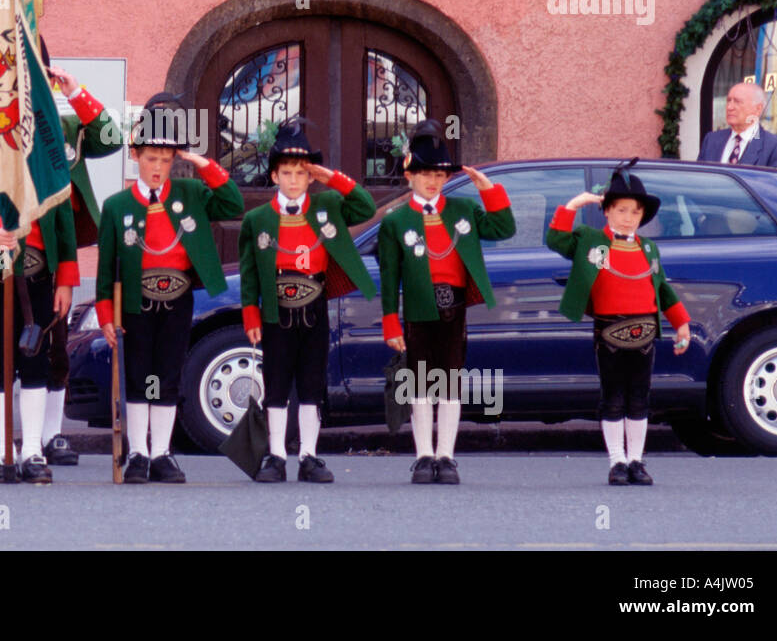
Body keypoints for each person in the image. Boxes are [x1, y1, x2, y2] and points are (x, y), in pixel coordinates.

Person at [0, 53, 119, 466]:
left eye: (33, 74)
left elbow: (111, 140)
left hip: (50, 255)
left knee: (52, 347)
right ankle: (0, 436)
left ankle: (48, 436)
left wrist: (74, 92)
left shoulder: (62, 124)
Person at [97, 93, 244, 484]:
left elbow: (232, 203)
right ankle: (138, 454)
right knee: (138, 376)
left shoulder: (191, 195)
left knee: (167, 376)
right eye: (150, 159)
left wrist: (199, 163)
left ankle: (162, 452)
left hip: (177, 299)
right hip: (135, 302)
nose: (158, 168)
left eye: (165, 159)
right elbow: (104, 267)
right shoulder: (116, 206)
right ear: (136, 157)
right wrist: (105, 315)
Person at [237, 120, 377, 483]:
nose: (295, 180)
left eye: (302, 172)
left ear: (310, 176)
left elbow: (363, 207)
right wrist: (251, 314)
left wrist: (331, 177)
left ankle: (310, 456)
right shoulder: (258, 218)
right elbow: (250, 272)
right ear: (274, 175)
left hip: (314, 306)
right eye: (287, 172)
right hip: (275, 310)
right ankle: (276, 455)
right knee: (277, 383)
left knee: (312, 383)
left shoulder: (327, 204)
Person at [377, 119, 515, 485]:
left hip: (454, 307)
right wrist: (390, 321)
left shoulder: (462, 210)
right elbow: (390, 277)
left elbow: (504, 229)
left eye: (439, 173)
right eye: (424, 173)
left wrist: (488, 189)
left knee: (450, 382)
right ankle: (423, 456)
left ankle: (447, 457)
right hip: (419, 309)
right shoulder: (397, 222)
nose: (432, 180)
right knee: (421, 383)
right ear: (410, 175)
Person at [546, 162, 692, 485]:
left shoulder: (649, 248)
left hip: (645, 332)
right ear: (607, 211)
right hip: (609, 330)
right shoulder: (590, 241)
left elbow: (663, 289)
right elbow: (556, 240)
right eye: (621, 210)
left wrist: (681, 322)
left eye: (635, 212)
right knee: (613, 395)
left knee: (640, 396)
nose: (628, 218)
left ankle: (637, 461)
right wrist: (574, 205)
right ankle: (617, 461)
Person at [0, 151, 79, 483]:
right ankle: (4, 451)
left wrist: (67, 283)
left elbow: (64, 229)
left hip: (41, 275)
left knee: (37, 359)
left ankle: (32, 449)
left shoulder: (51, 166)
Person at [697, 82, 777, 168]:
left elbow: (771, 184)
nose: (730, 107)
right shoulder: (712, 140)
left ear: (758, 109)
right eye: (728, 101)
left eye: (737, 102)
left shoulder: (774, 146)